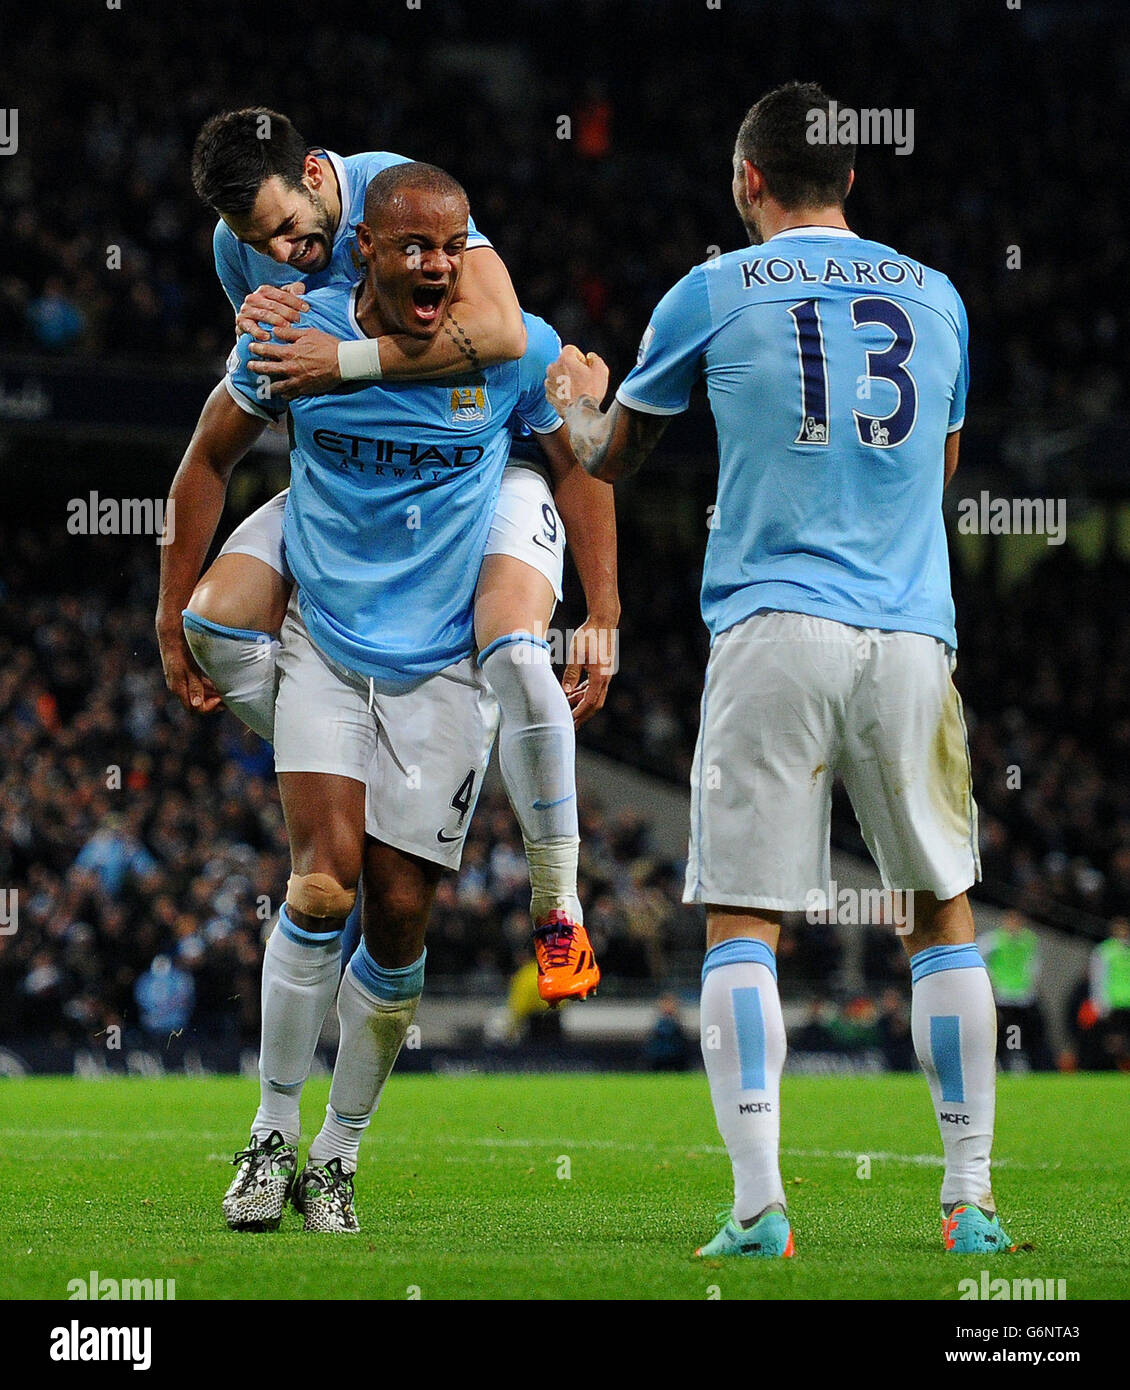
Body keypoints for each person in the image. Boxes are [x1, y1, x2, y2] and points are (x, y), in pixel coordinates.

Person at [547, 81, 1011, 1258]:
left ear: (746, 181)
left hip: (770, 628)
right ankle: (969, 1204)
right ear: (848, 179)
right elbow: (936, 473)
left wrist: (575, 403)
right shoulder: (940, 299)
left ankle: (759, 1210)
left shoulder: (708, 292)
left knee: (741, 923)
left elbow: (610, 458)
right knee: (940, 911)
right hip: (910, 634)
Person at [156, 163, 611, 1233]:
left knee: (400, 922)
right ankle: (268, 1137)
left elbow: (583, 462)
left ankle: (338, 1153)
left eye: (452, 249)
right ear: (363, 246)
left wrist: (606, 600)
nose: (436, 267)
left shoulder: (506, 347)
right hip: (325, 639)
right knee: (320, 886)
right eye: (413, 247)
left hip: (443, 655)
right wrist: (165, 612)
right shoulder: (290, 336)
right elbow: (202, 459)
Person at [978, 910, 1048, 1070]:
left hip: (1023, 996)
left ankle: (1016, 1058)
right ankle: (1002, 1059)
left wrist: (1031, 981)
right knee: (1003, 1030)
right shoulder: (994, 940)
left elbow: (1035, 963)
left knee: (1019, 1030)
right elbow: (978, 955)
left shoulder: (1029, 940)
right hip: (1002, 996)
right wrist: (990, 978)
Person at [1089, 917, 1130, 1068]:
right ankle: (1114, 1066)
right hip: (1114, 1001)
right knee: (1115, 1038)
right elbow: (1097, 977)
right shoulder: (1104, 951)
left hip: (1128, 1001)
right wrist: (1098, 1002)